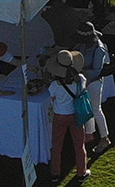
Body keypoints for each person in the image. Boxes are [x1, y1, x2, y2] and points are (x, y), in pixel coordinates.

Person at [46, 48, 89, 182]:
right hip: (75, 115)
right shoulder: (80, 79)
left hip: (59, 116)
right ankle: (81, 172)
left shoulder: (54, 85)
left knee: (57, 146)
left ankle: (55, 173)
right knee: (79, 145)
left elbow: (52, 98)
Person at [75, 22, 112, 156]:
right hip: (85, 81)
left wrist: (80, 72)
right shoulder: (83, 45)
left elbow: (96, 71)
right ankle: (89, 134)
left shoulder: (99, 49)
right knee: (87, 108)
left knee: (96, 110)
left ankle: (104, 138)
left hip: (94, 83)